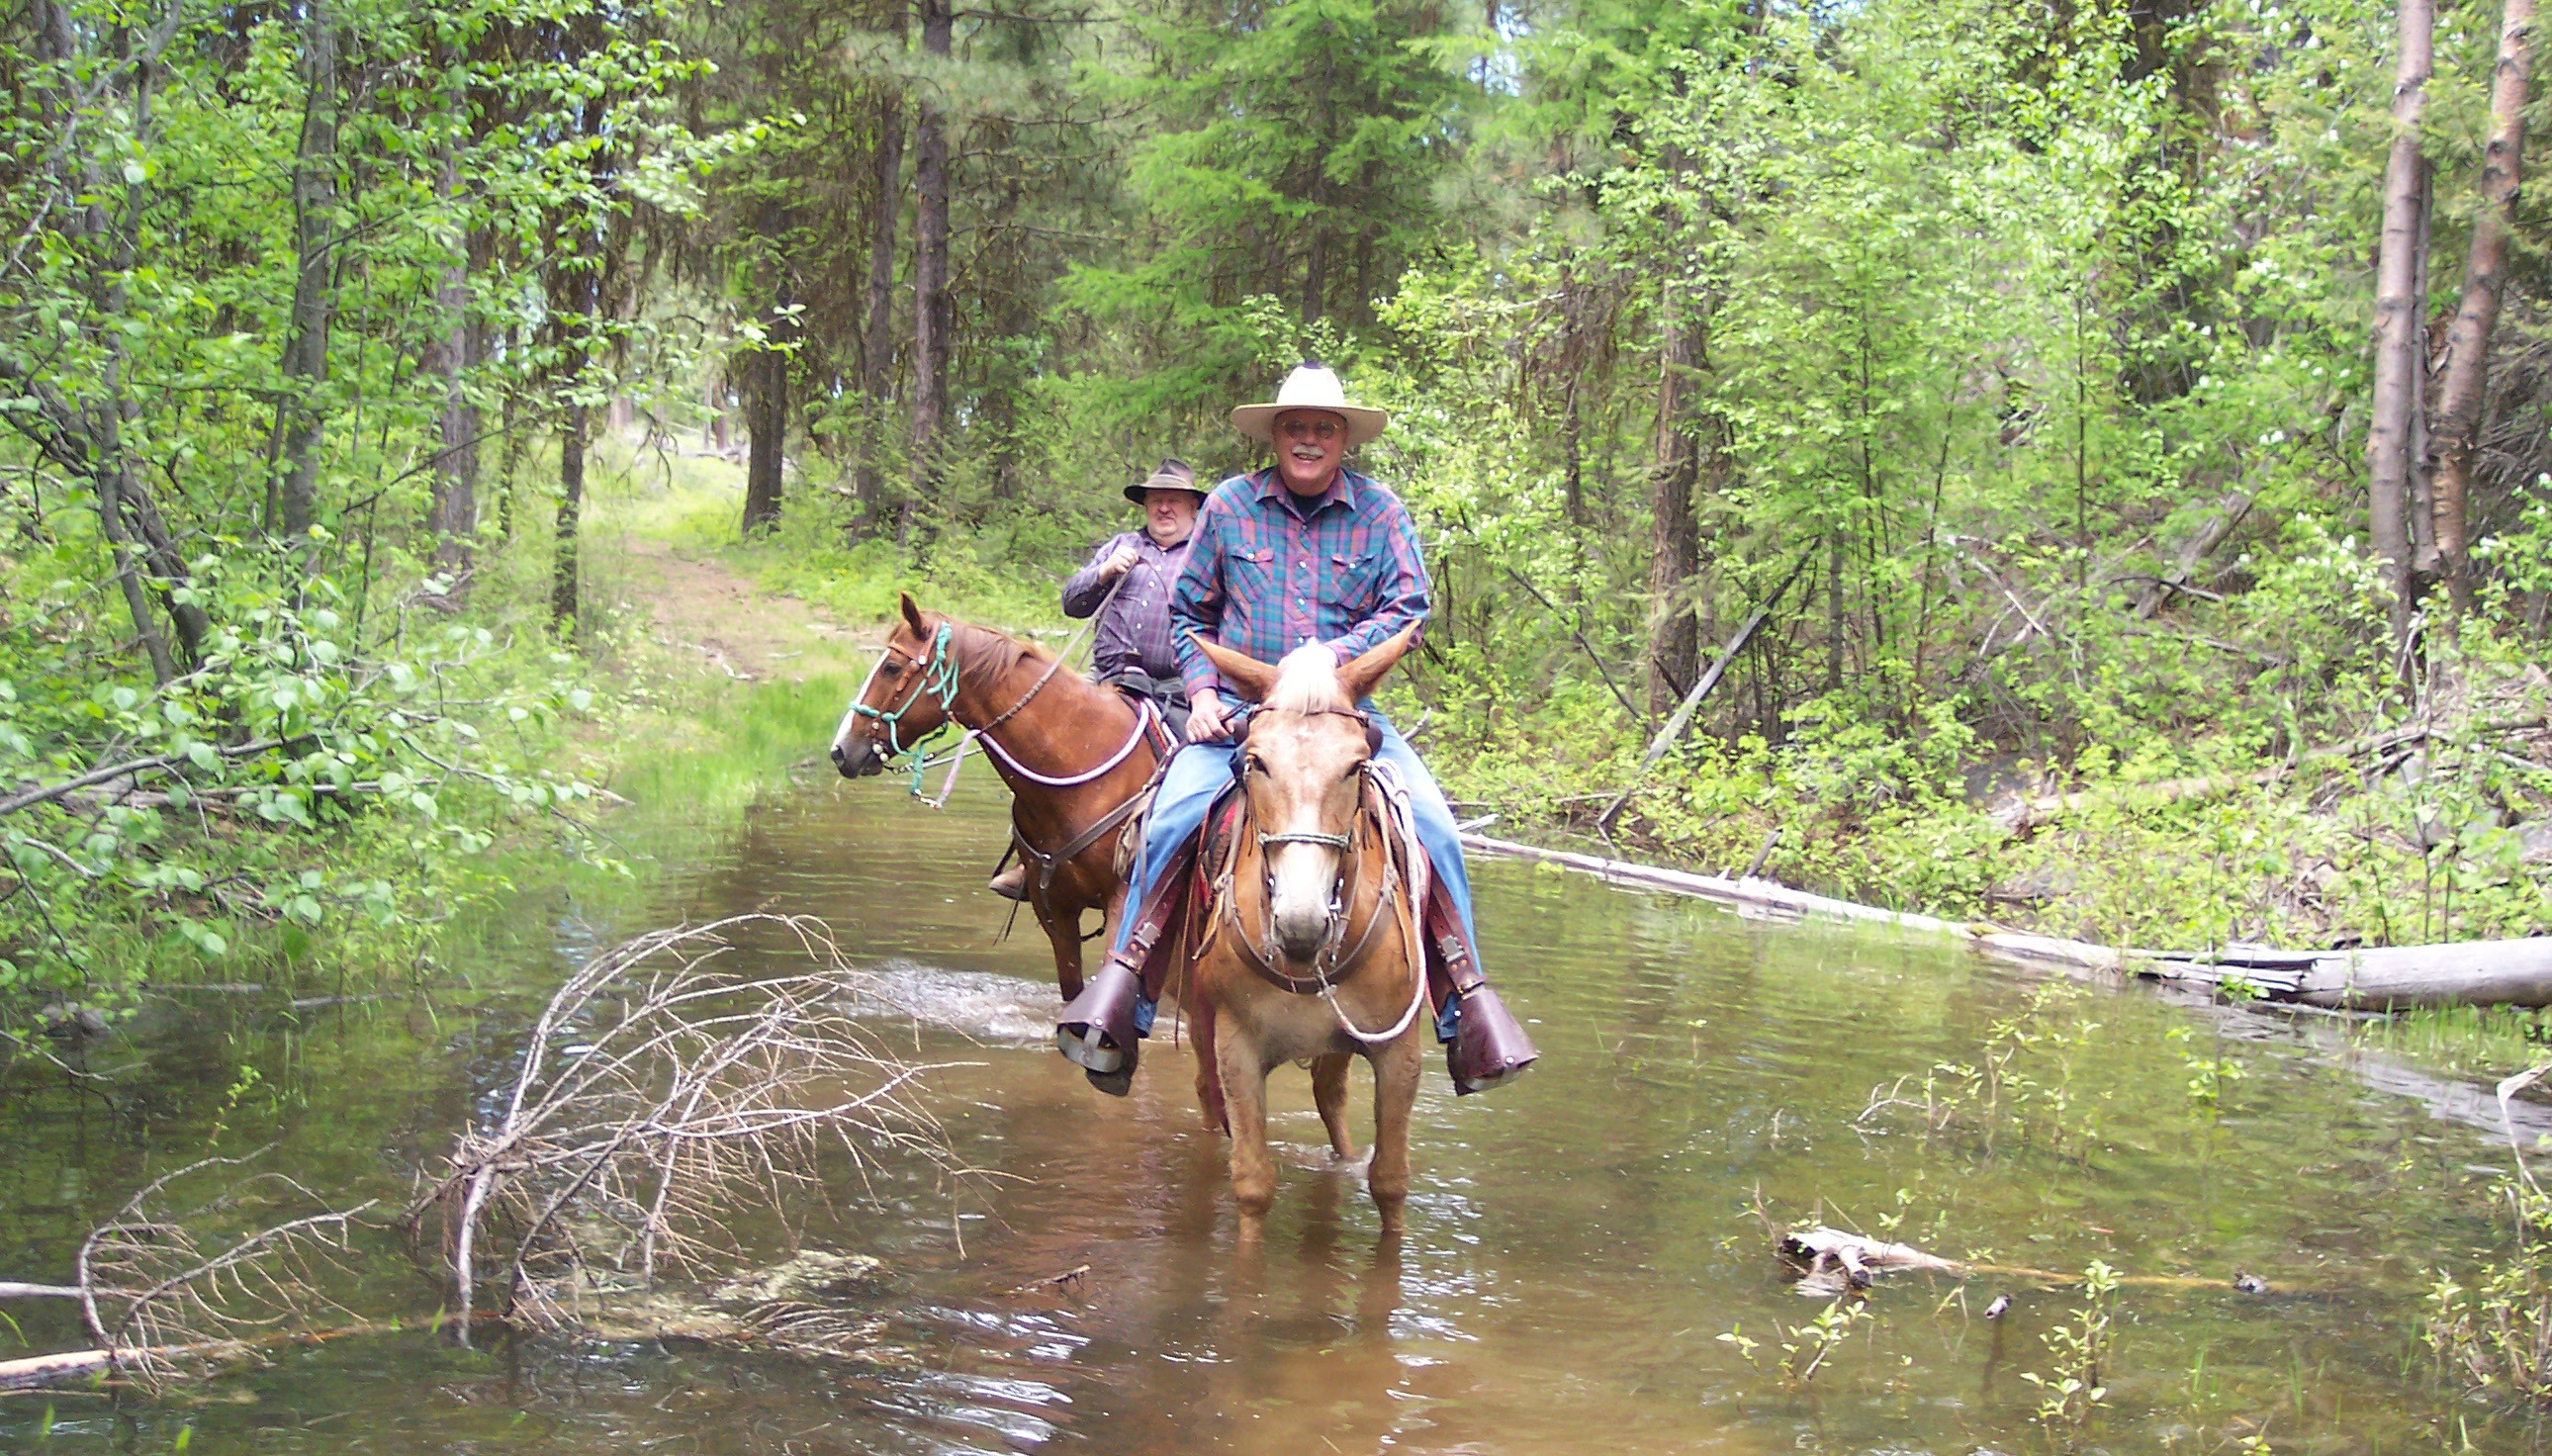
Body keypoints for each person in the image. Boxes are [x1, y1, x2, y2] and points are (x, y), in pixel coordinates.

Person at [1054, 363, 1538, 1096]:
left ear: (1343, 438)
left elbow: (1409, 609)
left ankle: (1466, 1009)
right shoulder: (1228, 507)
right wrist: (1204, 690)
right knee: (1166, 826)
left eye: (1324, 428)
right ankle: (1125, 1003)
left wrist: (1328, 661)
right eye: (1296, 427)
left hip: (1347, 718)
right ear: (1275, 435)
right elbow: (1192, 613)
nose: (1309, 439)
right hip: (1247, 720)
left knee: (1436, 829)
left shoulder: (1380, 512)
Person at [985, 459, 1206, 902]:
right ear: (1145, 506)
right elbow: (1072, 603)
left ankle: (1189, 867)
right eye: (1156, 500)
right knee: (1046, 758)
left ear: (1192, 508)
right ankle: (1031, 859)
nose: (1164, 508)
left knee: (1198, 772)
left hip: (1181, 693)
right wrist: (1102, 574)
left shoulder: (1205, 555)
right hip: (1111, 686)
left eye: (1174, 501)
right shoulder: (1121, 546)